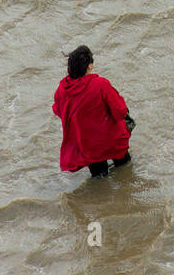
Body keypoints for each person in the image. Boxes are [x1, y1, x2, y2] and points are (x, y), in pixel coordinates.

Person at [52, 45, 132, 178]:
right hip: (112, 141)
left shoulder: (62, 89)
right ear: (89, 66)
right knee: (125, 170)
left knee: (99, 179)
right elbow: (120, 111)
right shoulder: (101, 84)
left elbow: (58, 110)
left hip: (88, 146)